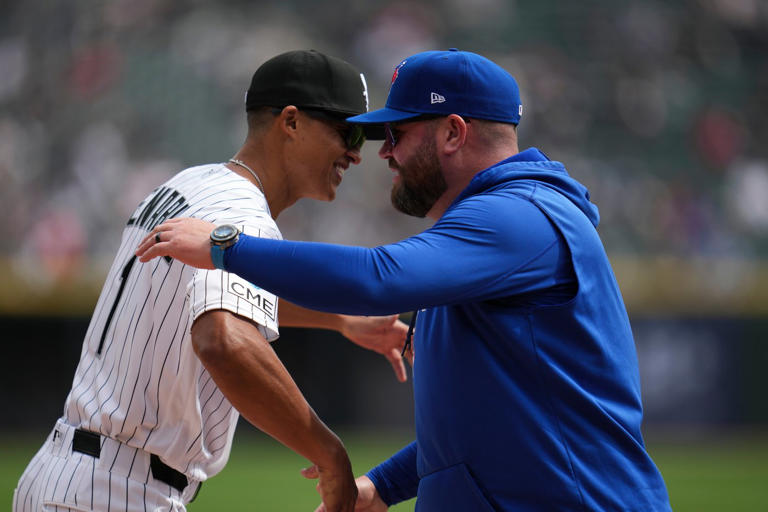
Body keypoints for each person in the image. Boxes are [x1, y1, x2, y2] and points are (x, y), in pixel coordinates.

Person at [136, 49, 672, 511]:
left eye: (397, 132)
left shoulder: (521, 215)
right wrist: (386, 486)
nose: (384, 152)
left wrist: (225, 246)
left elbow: (376, 278)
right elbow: (486, 424)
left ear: (454, 132)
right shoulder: (481, 238)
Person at [13, 49, 411, 512]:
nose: (355, 154)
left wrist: (339, 318)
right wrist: (330, 453)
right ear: (291, 121)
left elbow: (213, 295)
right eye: (346, 132)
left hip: (70, 475)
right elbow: (222, 339)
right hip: (119, 489)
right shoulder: (241, 217)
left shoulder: (191, 185)